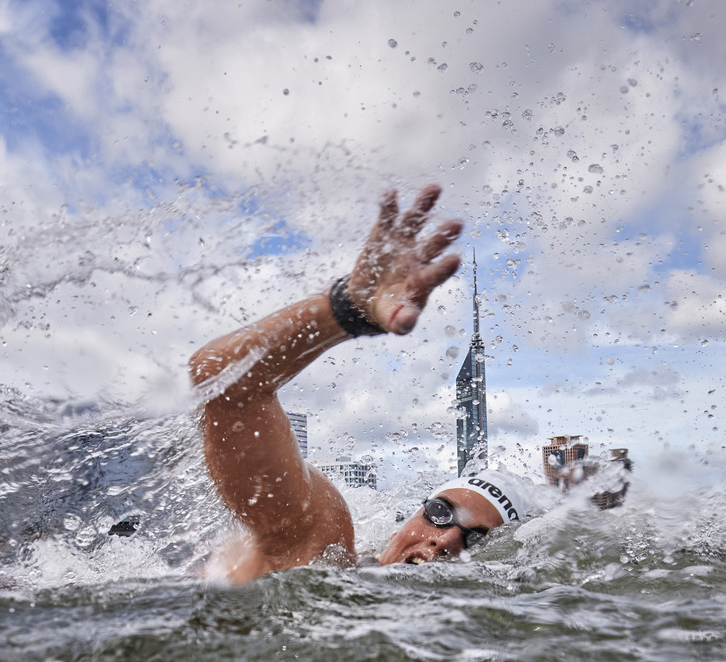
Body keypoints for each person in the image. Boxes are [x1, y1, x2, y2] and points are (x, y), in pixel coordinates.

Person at [189, 185, 525, 582]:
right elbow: (222, 380)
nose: (446, 540)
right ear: (402, 523)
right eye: (440, 513)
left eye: (477, 541)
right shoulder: (325, 548)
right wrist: (346, 309)